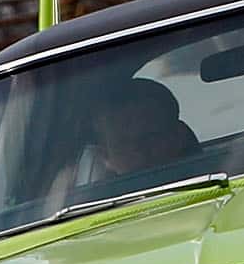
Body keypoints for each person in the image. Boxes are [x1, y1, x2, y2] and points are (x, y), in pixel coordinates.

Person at [35, 76, 196, 218]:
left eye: (151, 136)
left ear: (178, 136)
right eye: (124, 142)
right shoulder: (85, 211)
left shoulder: (219, 174)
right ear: (104, 156)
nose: (139, 149)